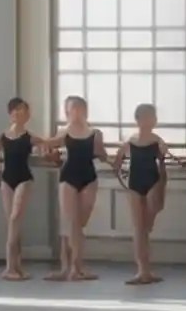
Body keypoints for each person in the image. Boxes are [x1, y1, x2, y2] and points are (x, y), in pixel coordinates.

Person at [37, 95, 105, 281]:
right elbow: (46, 145)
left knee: (79, 224)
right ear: (67, 112)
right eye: (71, 109)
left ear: (85, 110)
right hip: (68, 177)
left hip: (89, 178)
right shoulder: (64, 132)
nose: (75, 112)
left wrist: (112, 156)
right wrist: (49, 153)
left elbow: (102, 154)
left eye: (78, 108)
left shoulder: (95, 133)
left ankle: (75, 267)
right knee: (71, 223)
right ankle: (71, 267)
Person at [0, 98, 49, 280]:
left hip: (24, 179)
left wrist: (47, 152)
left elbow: (47, 148)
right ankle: (17, 267)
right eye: (15, 110)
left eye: (22, 110)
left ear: (27, 115)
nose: (18, 113)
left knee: (15, 217)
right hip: (6, 180)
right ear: (10, 114)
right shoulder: (3, 137)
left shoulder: (30, 137)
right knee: (13, 224)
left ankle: (10, 267)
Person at [111, 103, 170, 285]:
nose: (151, 120)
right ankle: (143, 271)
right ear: (138, 120)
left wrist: (162, 185)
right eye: (147, 117)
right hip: (134, 183)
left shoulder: (157, 140)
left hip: (153, 181)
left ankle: (146, 270)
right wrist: (118, 167)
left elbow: (163, 164)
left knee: (147, 224)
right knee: (139, 229)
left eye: (152, 117)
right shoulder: (130, 140)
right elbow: (117, 161)